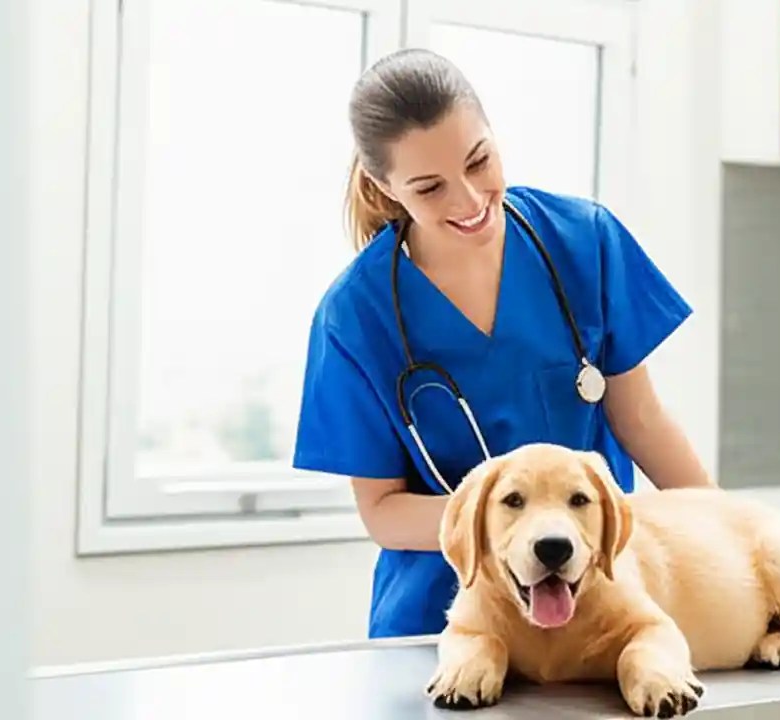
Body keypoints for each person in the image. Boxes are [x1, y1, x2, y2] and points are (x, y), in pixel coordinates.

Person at [292, 48, 713, 640]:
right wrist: (515, 526)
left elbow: (640, 419)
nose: (468, 200)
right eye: (430, 187)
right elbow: (383, 512)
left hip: (599, 609)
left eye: (479, 160)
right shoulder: (356, 317)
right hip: (444, 622)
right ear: (384, 188)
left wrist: (733, 531)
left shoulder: (582, 243)